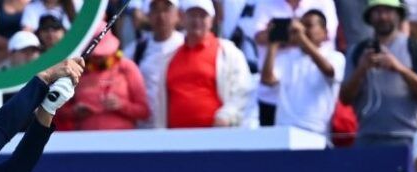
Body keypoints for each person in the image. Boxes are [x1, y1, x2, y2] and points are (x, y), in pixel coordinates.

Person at [338, 0, 417, 146]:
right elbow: (344, 98)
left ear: (398, 15)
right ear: (369, 16)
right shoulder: (357, 50)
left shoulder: (416, 47)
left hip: (408, 137)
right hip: (366, 138)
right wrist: (361, 69)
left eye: (388, 11)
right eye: (377, 11)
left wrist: (399, 68)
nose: (382, 17)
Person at [164, 0, 254, 128]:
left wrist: (227, 115)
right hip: (174, 140)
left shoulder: (228, 52)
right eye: (192, 15)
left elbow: (242, 90)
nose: (197, 21)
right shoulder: (170, 55)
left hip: (216, 139)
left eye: (202, 16)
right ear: (183, 18)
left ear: (212, 20)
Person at [251, 0, 339, 126]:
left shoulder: (335, 58)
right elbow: (267, 79)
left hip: (317, 127)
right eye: (302, 25)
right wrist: (273, 40)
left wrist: (291, 35)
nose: (302, 29)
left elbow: (329, 68)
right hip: (281, 118)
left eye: (308, 25)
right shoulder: (288, 58)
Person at [56, 21, 148, 130]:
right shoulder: (78, 70)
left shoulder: (126, 66)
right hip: (86, 140)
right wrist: (74, 112)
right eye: (95, 55)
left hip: (122, 140)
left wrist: (122, 105)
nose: (98, 57)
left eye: (102, 54)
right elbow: (57, 109)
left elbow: (144, 111)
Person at [124, 0, 182, 129]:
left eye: (166, 9)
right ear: (148, 15)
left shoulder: (186, 45)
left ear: (178, 14)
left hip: (178, 130)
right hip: (144, 132)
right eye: (155, 9)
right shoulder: (135, 50)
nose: (161, 16)